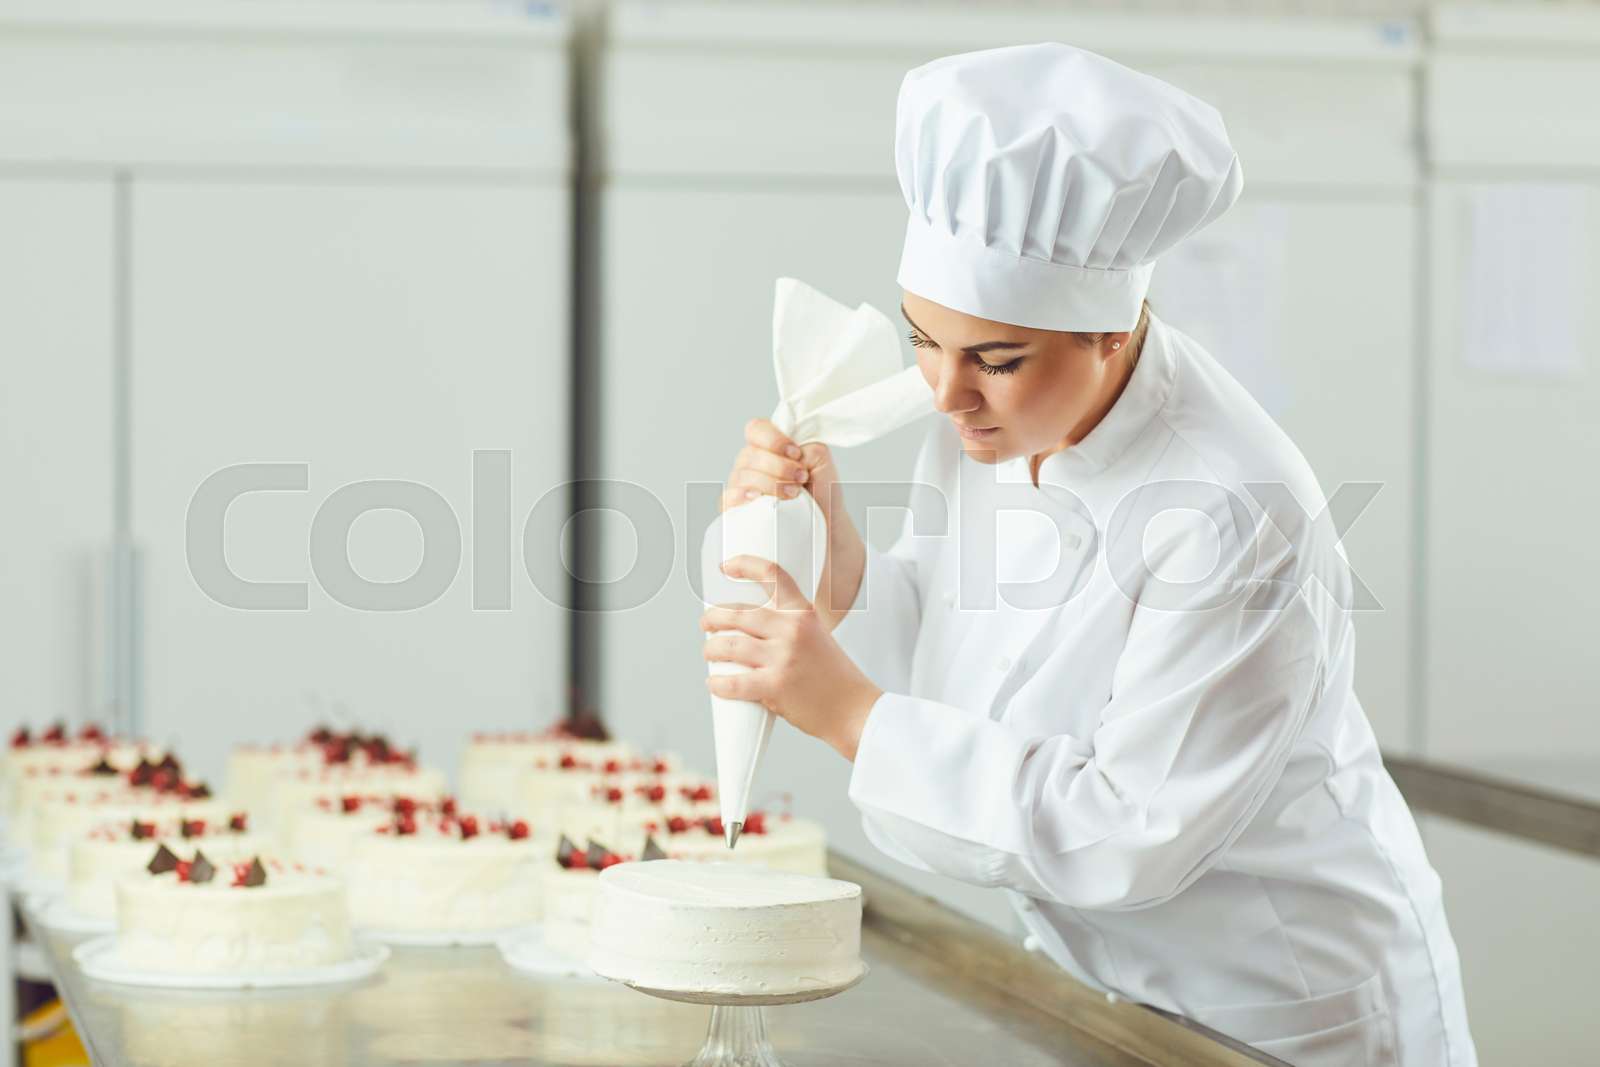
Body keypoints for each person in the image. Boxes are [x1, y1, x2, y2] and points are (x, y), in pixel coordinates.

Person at [700, 43, 1475, 1066]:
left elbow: (1126, 832)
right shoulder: (986, 421)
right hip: (1106, 989)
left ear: (1109, 333)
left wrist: (848, 715)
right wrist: (837, 557)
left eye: (996, 358)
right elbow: (957, 628)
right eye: (922, 338)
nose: (943, 391)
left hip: (1276, 1008)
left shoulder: (1230, 509)